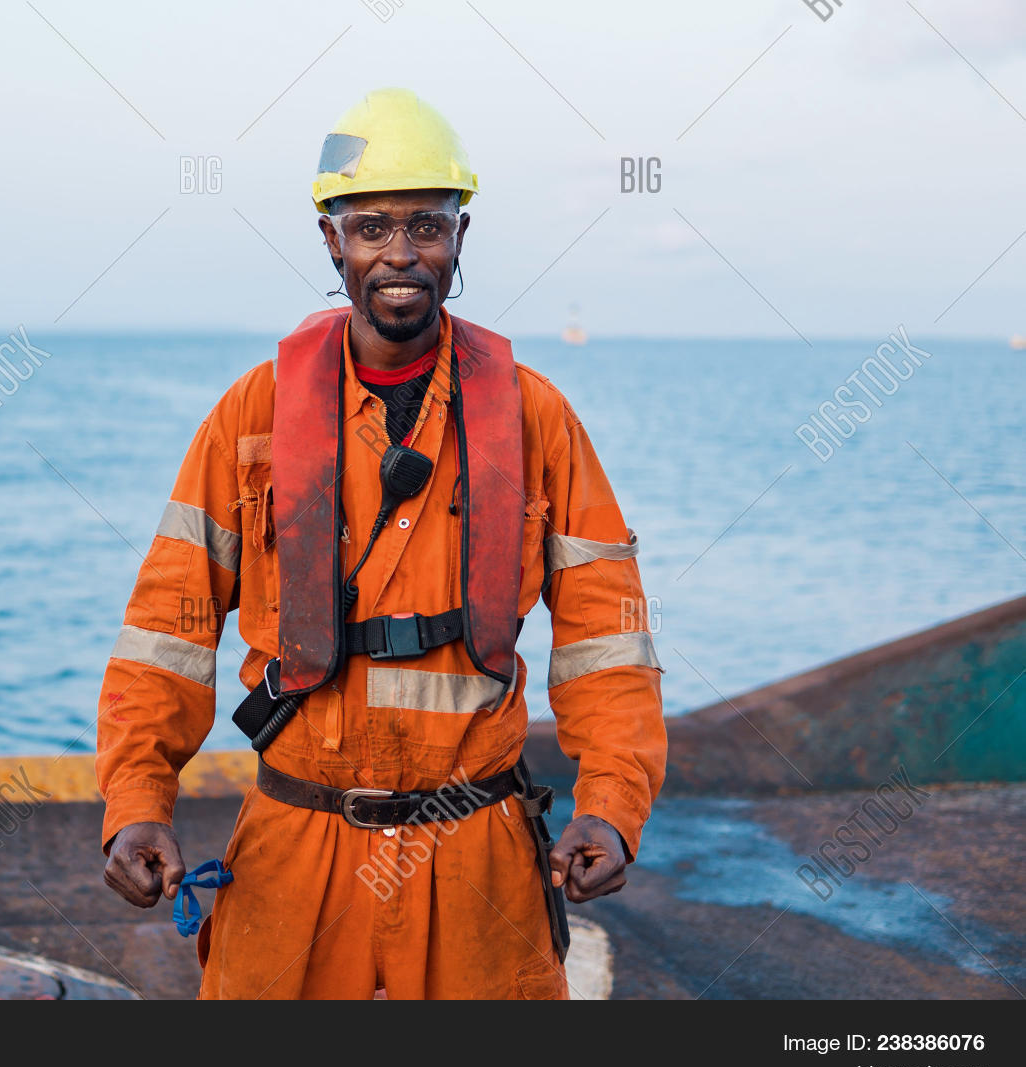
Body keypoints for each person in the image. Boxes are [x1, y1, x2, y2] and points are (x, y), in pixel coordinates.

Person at [96, 88, 666, 999]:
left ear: (460, 239)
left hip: (475, 845)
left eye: (426, 227)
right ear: (332, 240)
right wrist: (135, 804)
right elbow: (168, 625)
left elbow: (607, 639)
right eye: (371, 228)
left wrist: (612, 806)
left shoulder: (535, 418)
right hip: (294, 841)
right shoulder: (254, 416)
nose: (400, 254)